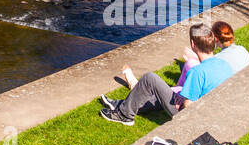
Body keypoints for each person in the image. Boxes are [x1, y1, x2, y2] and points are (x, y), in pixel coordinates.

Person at [100, 24, 234, 125]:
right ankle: (121, 105)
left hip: (192, 117)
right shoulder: (224, 64)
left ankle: (124, 115)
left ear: (193, 44)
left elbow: (188, 106)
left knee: (149, 78)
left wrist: (184, 100)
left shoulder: (197, 72)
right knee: (167, 93)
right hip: (215, 112)